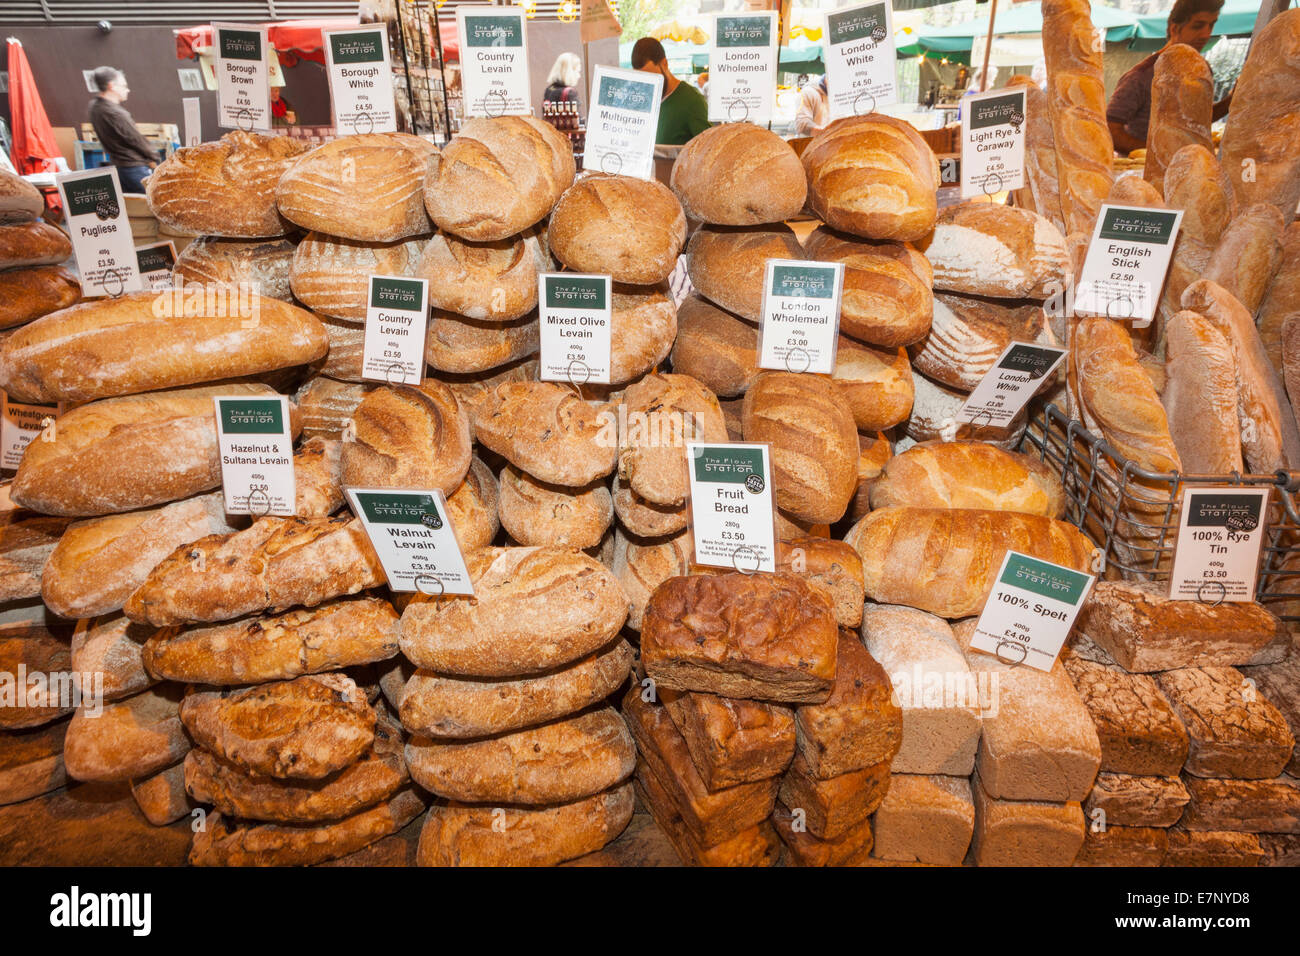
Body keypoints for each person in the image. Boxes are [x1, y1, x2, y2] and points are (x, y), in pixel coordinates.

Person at [1106, 0, 1231, 155]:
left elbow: (1197, 120)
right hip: (1144, 172)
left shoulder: (1202, 71)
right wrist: (1156, 154)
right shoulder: (1141, 76)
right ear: (1175, 28)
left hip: (1189, 166)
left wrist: (1231, 100)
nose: (1206, 34)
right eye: (1198, 26)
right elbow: (1111, 129)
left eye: (1211, 25)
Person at [86, 67, 159, 195]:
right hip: (134, 169)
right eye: (124, 86)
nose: (128, 89)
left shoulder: (94, 108)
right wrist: (156, 158)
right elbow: (135, 139)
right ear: (111, 86)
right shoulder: (115, 113)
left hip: (119, 168)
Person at [631, 37, 710, 145]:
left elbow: (708, 148)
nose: (648, 84)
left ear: (664, 64)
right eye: (642, 78)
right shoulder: (642, 102)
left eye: (652, 76)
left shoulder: (692, 100)